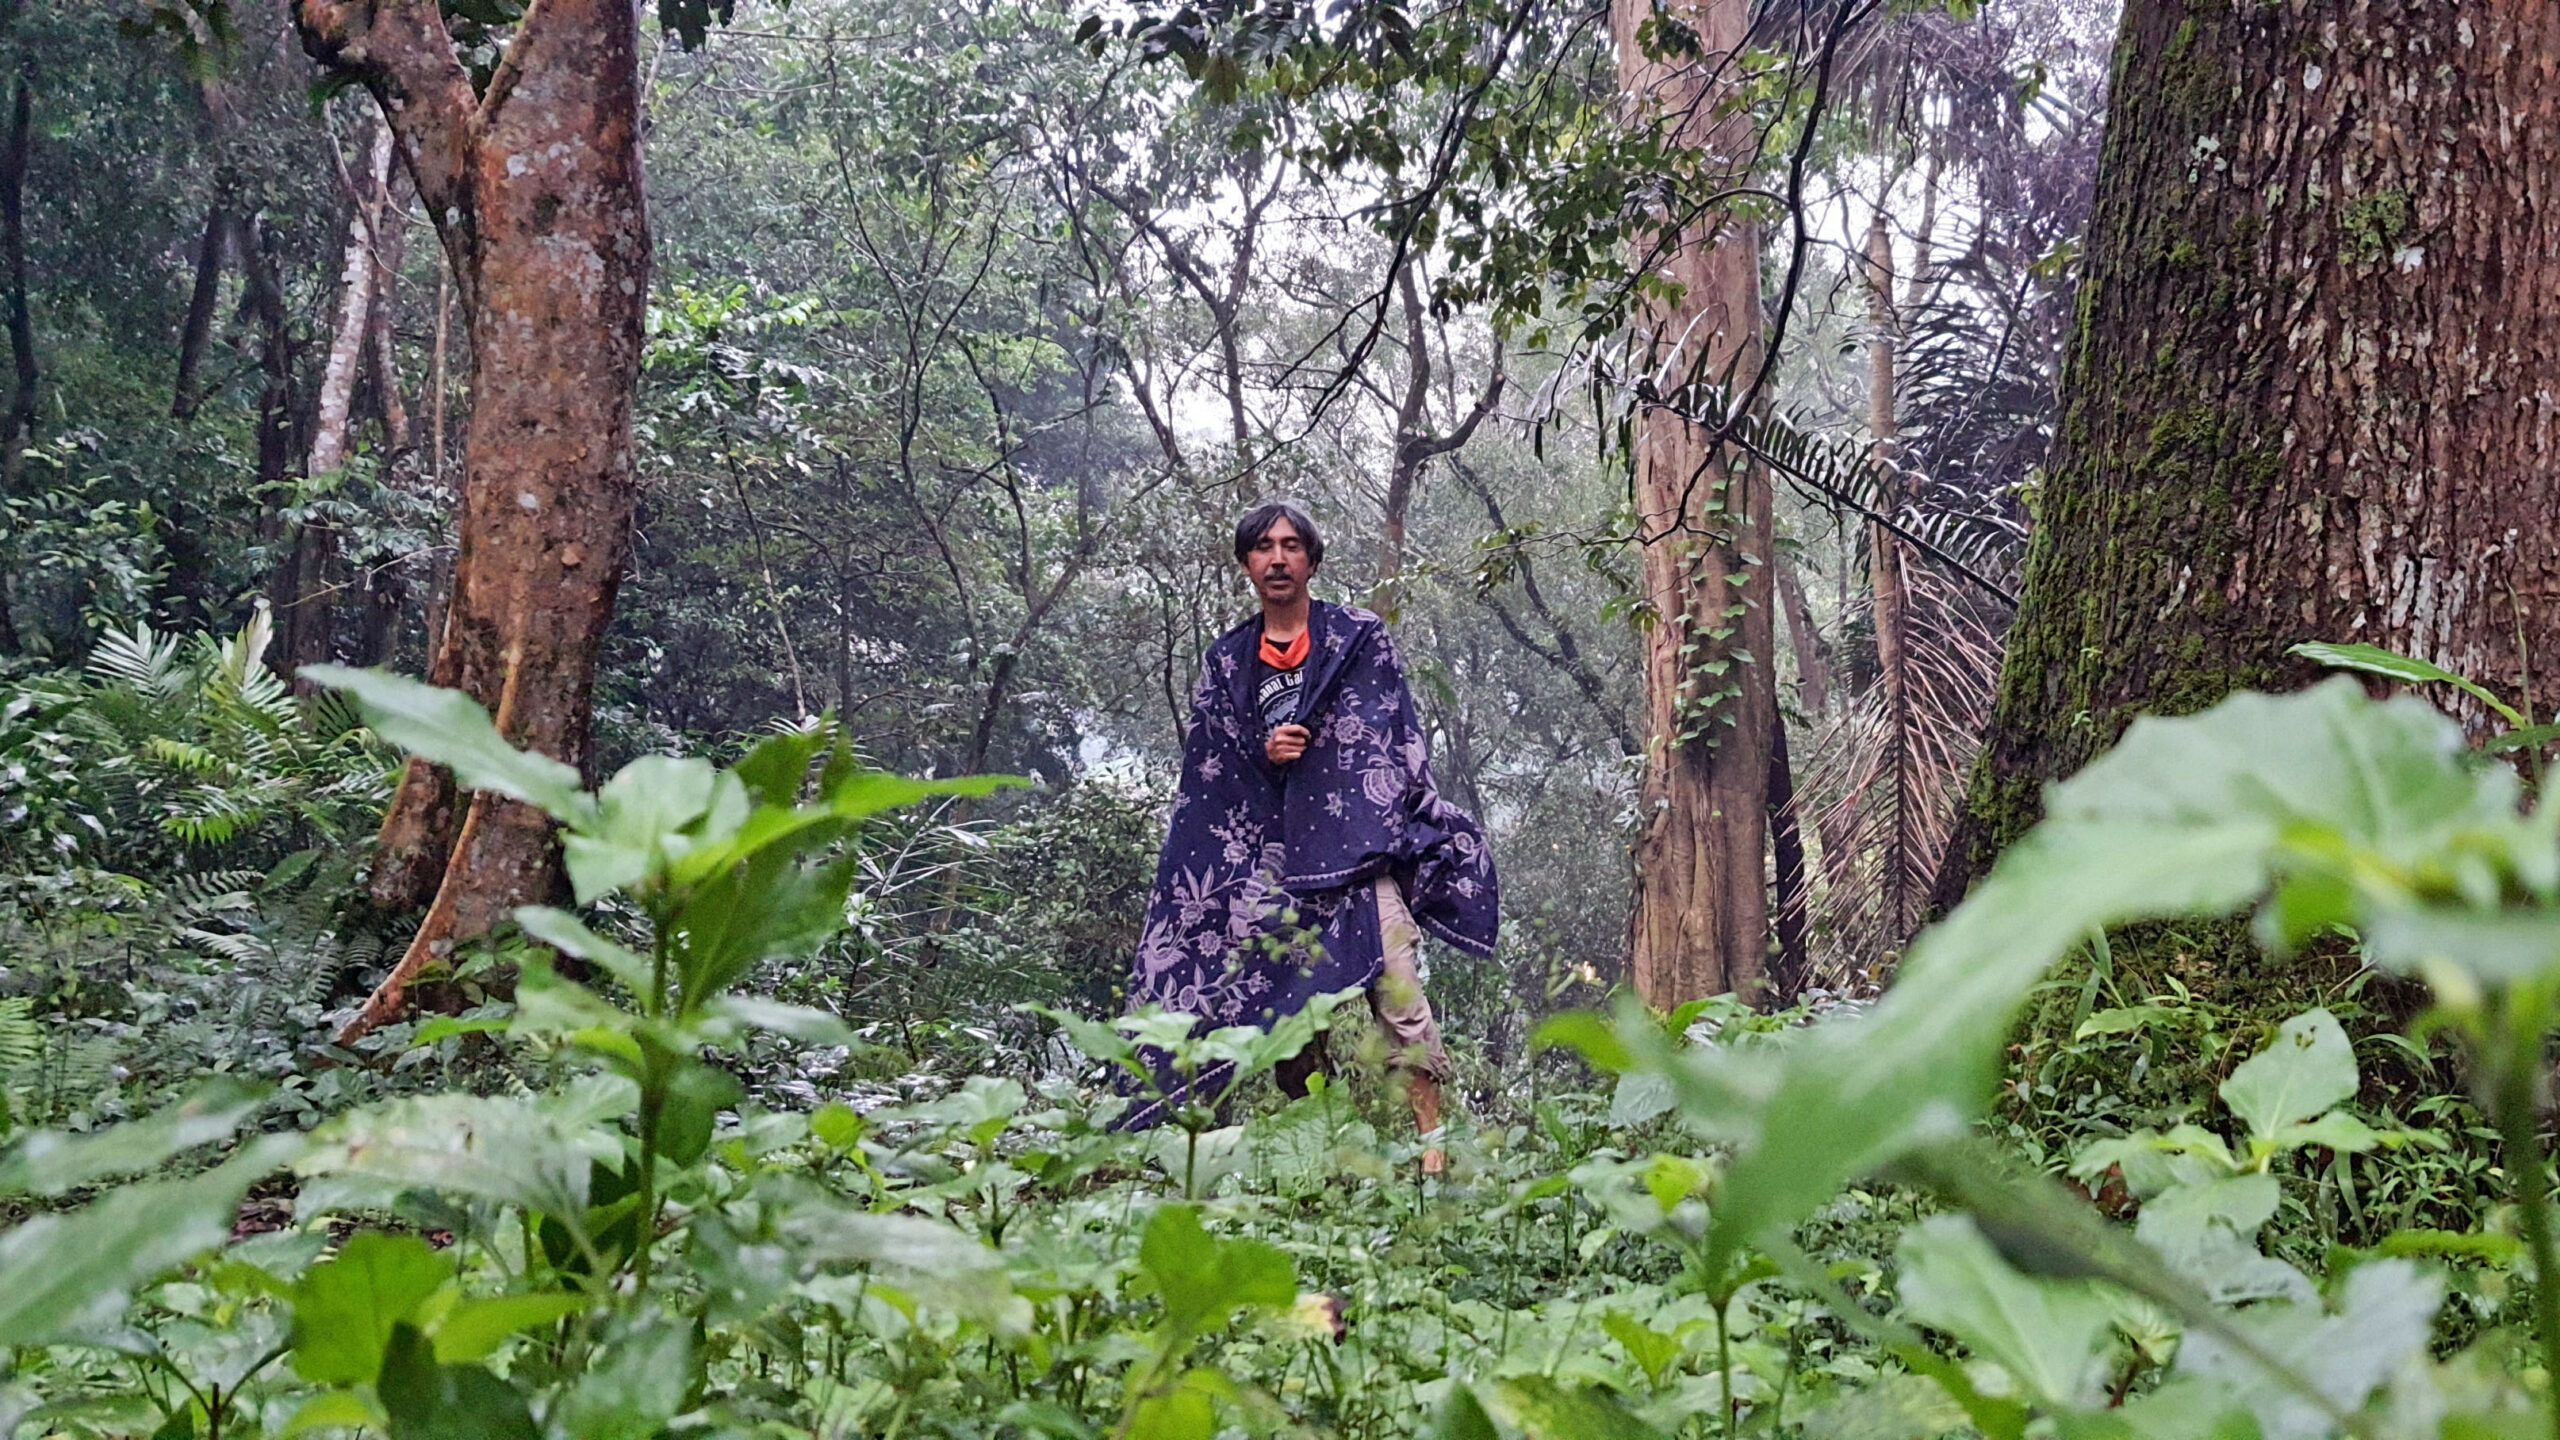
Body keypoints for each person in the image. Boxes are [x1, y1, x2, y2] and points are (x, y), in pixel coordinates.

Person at [1120, 501, 1499, 1172]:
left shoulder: (1357, 638)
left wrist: (1328, 764)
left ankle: (1434, 1154)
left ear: (1312, 562)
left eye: (1291, 545)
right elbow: (1214, 770)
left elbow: (1383, 734)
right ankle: (1317, 1161)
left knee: (1400, 994)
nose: (1277, 558)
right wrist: (1267, 753)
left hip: (1356, 854)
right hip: (1273, 869)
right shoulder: (1229, 662)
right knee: (1286, 1013)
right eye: (1263, 547)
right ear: (1246, 565)